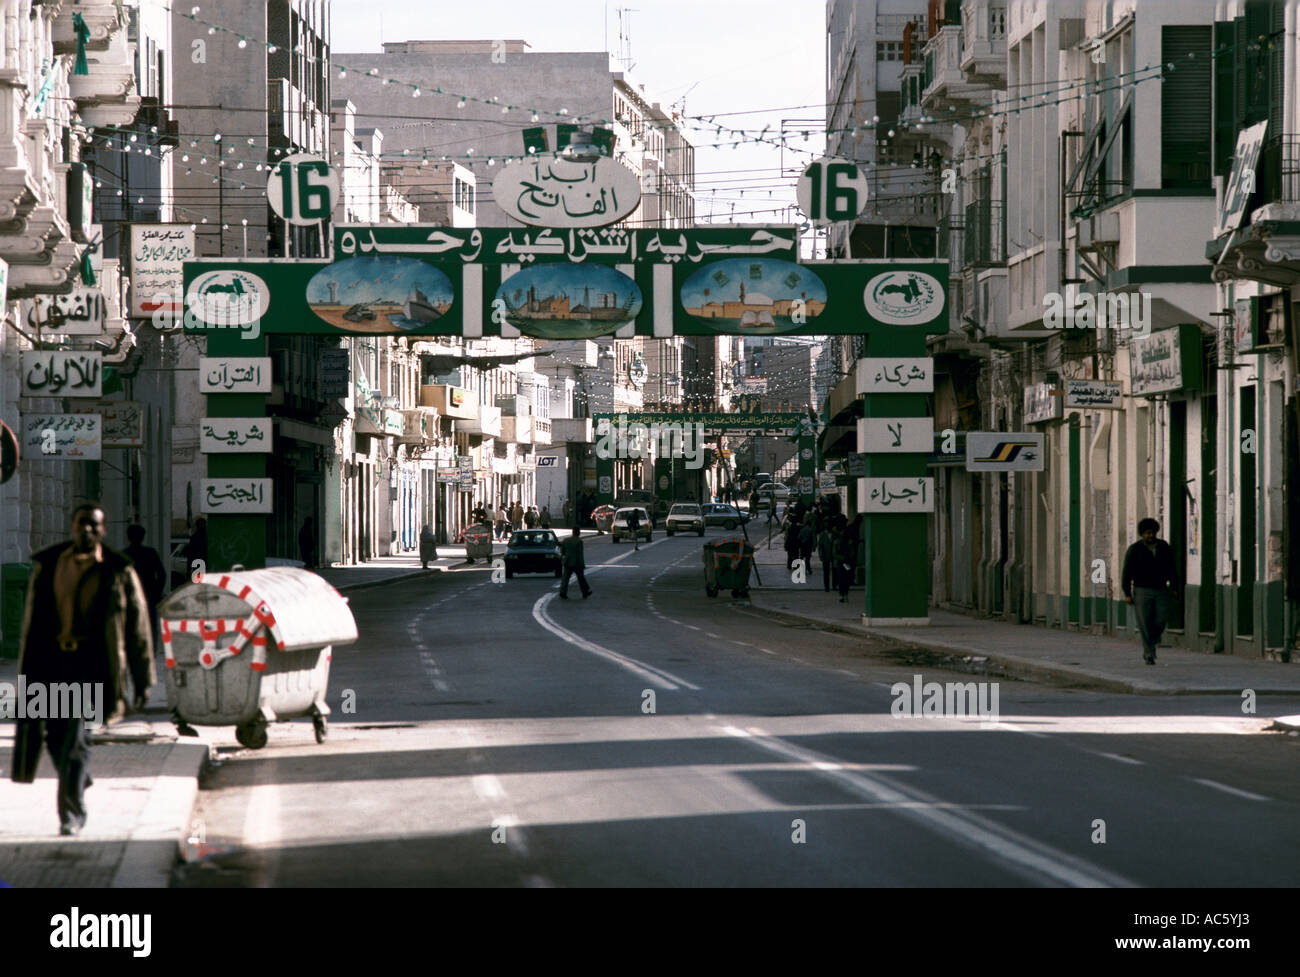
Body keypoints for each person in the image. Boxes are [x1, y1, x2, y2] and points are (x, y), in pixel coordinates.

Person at [11, 504, 154, 836]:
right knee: (52, 736)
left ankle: (71, 815)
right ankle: (79, 777)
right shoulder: (48, 566)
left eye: (94, 525)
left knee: (75, 738)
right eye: (81, 524)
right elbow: (33, 622)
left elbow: (137, 629)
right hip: (52, 663)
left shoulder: (118, 571)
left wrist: (144, 679)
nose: (87, 530)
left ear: (102, 531)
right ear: (72, 527)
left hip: (92, 665)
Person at [1121, 518, 1180, 665]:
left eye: (1152, 533)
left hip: (1161, 589)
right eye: (1147, 533)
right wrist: (1127, 593)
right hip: (1141, 590)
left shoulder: (1164, 547)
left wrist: (1174, 587)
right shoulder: (1135, 550)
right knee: (1144, 623)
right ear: (1142, 534)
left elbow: (1172, 568)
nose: (1150, 536)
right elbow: (1127, 572)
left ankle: (1152, 640)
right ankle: (1149, 653)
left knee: (1161, 619)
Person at [123, 524, 166, 639]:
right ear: (143, 537)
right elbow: (162, 574)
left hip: (130, 597)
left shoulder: (123, 555)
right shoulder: (150, 553)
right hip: (149, 596)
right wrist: (157, 593)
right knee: (150, 627)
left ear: (128, 537)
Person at [558, 526, 592, 599]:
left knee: (565, 578)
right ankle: (585, 592)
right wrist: (582, 564)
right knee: (581, 578)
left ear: (573, 532)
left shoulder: (566, 540)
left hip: (568, 562)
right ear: (578, 532)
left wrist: (564, 559)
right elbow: (580, 554)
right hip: (577, 563)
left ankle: (562, 592)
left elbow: (562, 551)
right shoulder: (579, 541)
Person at [833, 518, 856, 603]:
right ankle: (844, 594)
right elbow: (852, 552)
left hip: (841, 563)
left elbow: (835, 554)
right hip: (845, 562)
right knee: (845, 578)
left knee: (842, 579)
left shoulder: (838, 541)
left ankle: (842, 595)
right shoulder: (847, 542)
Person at [817, 521, 836, 592]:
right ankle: (827, 586)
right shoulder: (822, 534)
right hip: (825, 555)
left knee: (835, 571)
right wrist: (821, 555)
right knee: (826, 572)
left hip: (834, 555)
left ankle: (834, 585)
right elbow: (820, 546)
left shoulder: (834, 534)